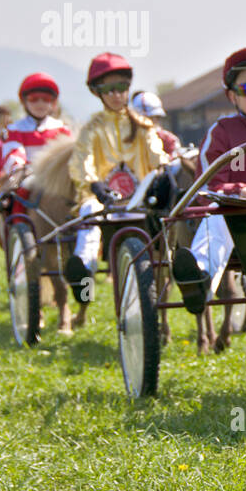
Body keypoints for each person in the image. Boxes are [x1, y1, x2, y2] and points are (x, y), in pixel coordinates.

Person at [170, 47, 246, 315]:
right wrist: (239, 190)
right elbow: (207, 187)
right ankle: (201, 278)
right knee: (217, 213)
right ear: (232, 95)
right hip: (238, 221)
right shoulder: (222, 131)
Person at [65, 53, 168, 303]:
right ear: (97, 92)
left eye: (121, 87)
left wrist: (162, 170)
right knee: (89, 212)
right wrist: (95, 184)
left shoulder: (143, 126)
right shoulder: (92, 128)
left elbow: (157, 153)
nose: (116, 94)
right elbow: (81, 159)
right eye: (108, 89)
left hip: (140, 198)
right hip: (102, 200)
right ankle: (84, 270)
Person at [0, 74, 72, 256]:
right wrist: (23, 167)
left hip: (57, 178)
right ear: (24, 102)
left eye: (45, 99)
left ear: (53, 103)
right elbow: (13, 153)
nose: (40, 103)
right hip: (26, 175)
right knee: (4, 195)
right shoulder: (15, 130)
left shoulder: (62, 128)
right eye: (34, 99)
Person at [131, 90, 181, 157]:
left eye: (156, 117)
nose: (149, 122)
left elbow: (174, 162)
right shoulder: (126, 138)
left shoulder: (168, 140)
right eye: (147, 118)